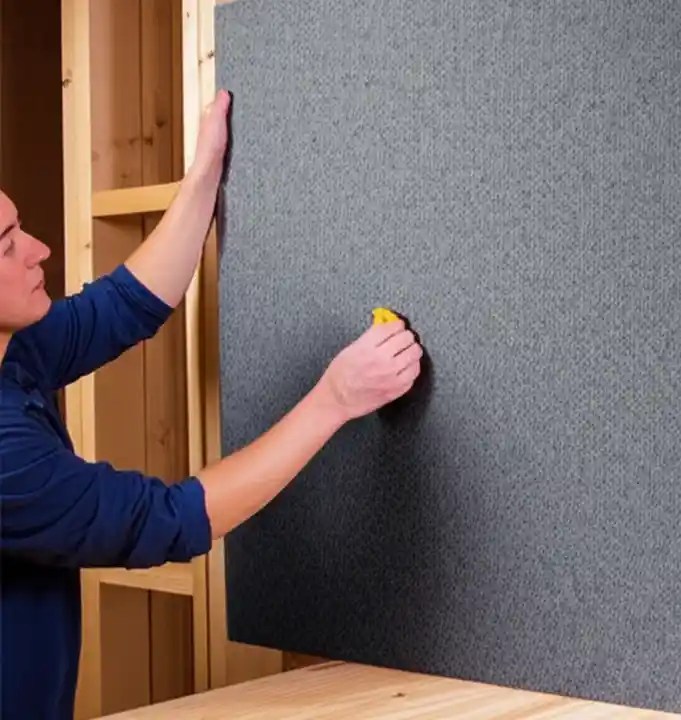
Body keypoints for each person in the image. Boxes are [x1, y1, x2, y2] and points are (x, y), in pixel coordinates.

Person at [0, 89, 424, 718]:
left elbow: (122, 308)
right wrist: (333, 400)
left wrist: (202, 178)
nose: (39, 248)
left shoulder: (16, 349)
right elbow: (166, 520)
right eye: (7, 245)